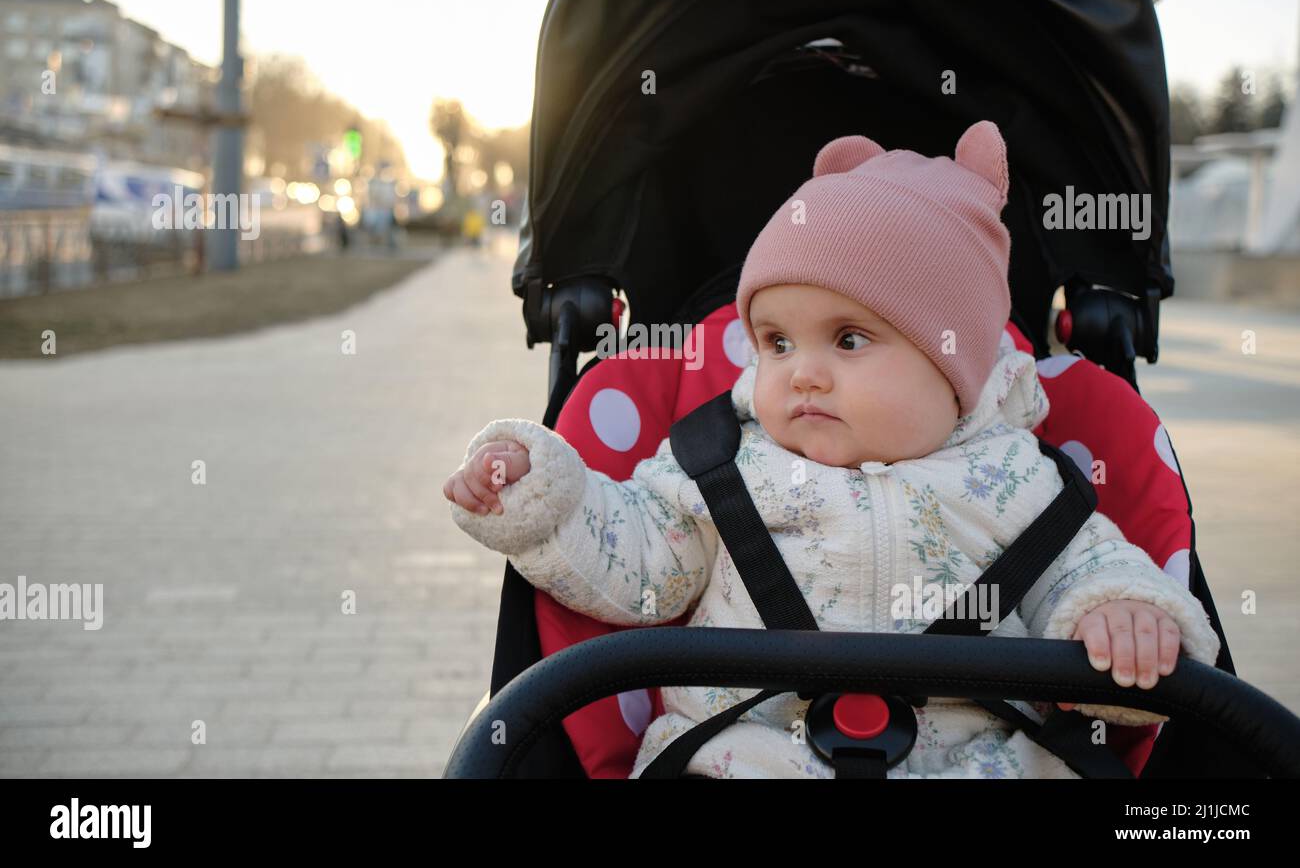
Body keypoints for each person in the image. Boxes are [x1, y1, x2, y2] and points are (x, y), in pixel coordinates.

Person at [442, 121, 1221, 778]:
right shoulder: (721, 464)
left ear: (957, 362)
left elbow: (1091, 570)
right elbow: (638, 558)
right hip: (751, 756)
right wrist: (542, 497)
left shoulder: (1020, 481)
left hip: (975, 762)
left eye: (849, 340)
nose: (802, 373)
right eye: (776, 342)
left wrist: (1124, 619)